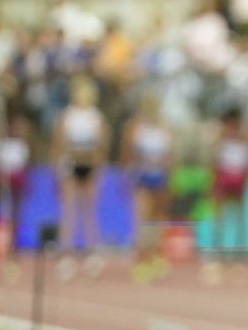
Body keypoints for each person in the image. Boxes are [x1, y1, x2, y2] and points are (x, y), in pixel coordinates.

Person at [56, 77, 110, 256]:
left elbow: (102, 145)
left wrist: (98, 167)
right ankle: (66, 247)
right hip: (71, 164)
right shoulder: (67, 115)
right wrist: (60, 165)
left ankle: (92, 247)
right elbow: (59, 142)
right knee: (68, 208)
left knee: (89, 208)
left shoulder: (96, 116)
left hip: (89, 165)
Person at [123, 103, 176, 264]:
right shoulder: (138, 129)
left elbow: (169, 156)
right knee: (142, 215)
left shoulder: (164, 130)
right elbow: (129, 152)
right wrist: (130, 172)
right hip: (143, 175)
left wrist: (169, 175)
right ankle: (141, 252)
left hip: (159, 176)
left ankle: (154, 251)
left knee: (157, 216)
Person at [0, 111, 34, 254]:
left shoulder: (21, 145)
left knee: (15, 212)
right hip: (0, 181)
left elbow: (24, 165)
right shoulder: (0, 143)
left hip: (16, 182)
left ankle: (12, 242)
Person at [211, 109, 248, 254]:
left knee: (240, 214)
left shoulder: (244, 139)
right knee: (220, 214)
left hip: (239, 179)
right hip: (224, 178)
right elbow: (215, 161)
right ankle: (218, 245)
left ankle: (240, 246)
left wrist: (246, 178)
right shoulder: (221, 139)